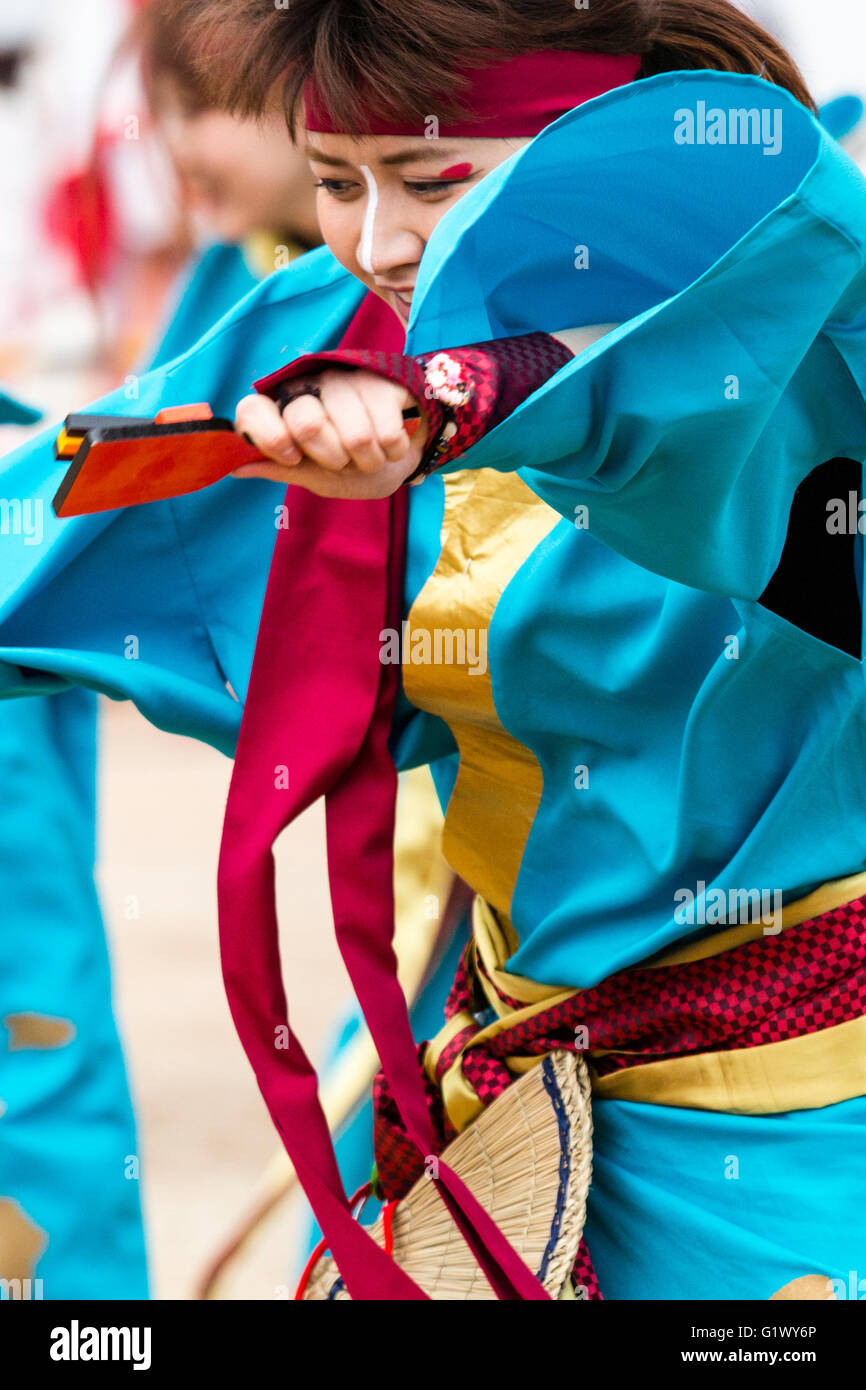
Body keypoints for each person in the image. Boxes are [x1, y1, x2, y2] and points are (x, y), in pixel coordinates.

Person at [2, 0, 866, 1300]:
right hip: (496, 1096)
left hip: (794, 1149)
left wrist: (465, 397)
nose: (376, 238)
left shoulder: (801, 318)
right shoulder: (339, 327)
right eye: (336, 181)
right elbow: (63, 523)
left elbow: (694, 367)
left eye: (428, 179)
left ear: (603, 150)